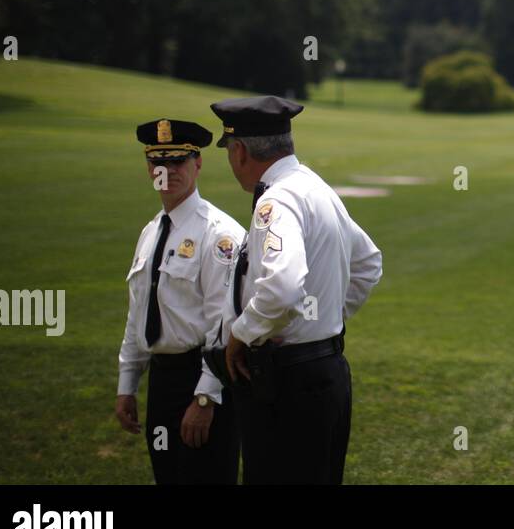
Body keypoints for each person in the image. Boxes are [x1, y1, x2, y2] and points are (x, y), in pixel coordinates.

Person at [208, 95, 382, 484]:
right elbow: (368, 264)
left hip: (287, 385)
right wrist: (322, 320)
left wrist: (243, 332)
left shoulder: (278, 200)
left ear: (239, 151)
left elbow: (283, 288)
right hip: (327, 373)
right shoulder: (316, 189)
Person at [115, 118, 245, 484]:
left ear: (198, 163)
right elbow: (138, 312)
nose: (167, 171)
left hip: (204, 381)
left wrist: (205, 399)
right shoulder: (151, 231)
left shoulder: (218, 234)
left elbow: (225, 323)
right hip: (163, 381)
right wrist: (127, 384)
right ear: (148, 168)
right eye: (158, 162)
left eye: (178, 161)